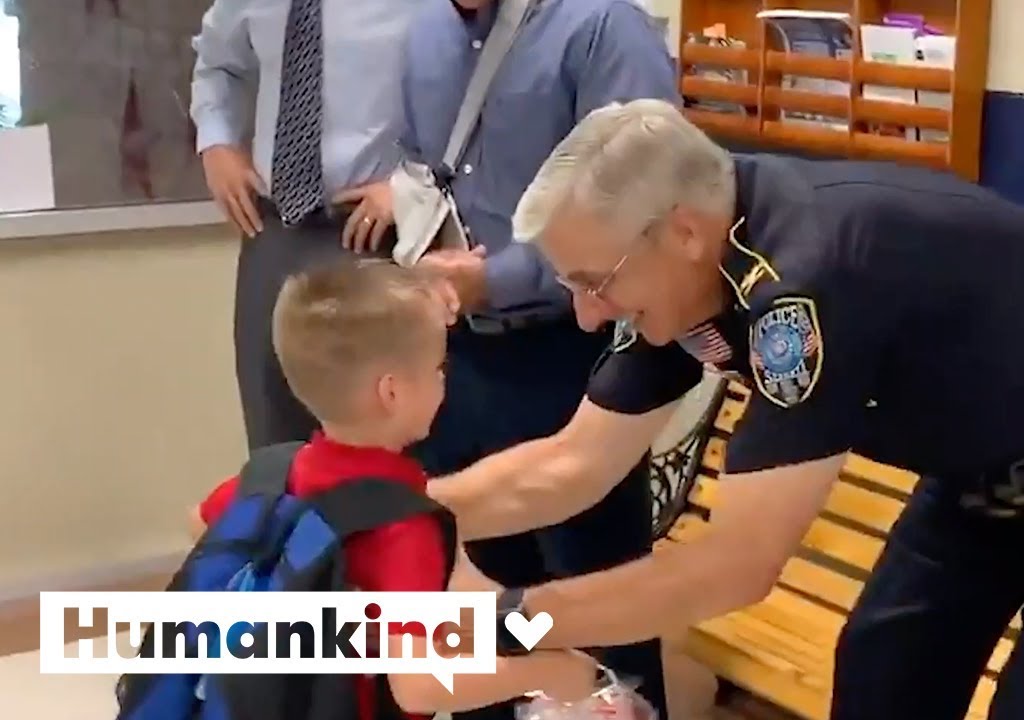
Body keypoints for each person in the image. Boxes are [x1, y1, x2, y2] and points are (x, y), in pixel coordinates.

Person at [424, 99, 1024, 720]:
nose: (585, 314)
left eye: (595, 283)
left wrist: (506, 619)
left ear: (681, 230)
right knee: (884, 671)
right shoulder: (681, 268)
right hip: (997, 453)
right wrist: (398, 505)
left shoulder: (808, 280)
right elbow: (574, 464)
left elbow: (733, 568)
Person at [371, 2, 679, 718]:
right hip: (455, 355)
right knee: (475, 596)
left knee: (600, 592)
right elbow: (417, 167)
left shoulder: (601, 27)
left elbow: (642, 200)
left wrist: (500, 276)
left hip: (572, 343)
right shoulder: (422, 33)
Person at [189, 258, 599, 719]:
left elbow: (199, 523)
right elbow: (419, 687)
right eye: (438, 367)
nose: (445, 379)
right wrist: (545, 674)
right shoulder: (402, 526)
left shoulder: (271, 474)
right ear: (392, 393)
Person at [190, 0, 422, 450]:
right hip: (274, 229)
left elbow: (475, 89)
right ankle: (292, 523)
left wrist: (411, 186)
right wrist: (217, 141)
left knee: (382, 439)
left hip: (377, 236)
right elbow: (218, 64)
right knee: (275, 434)